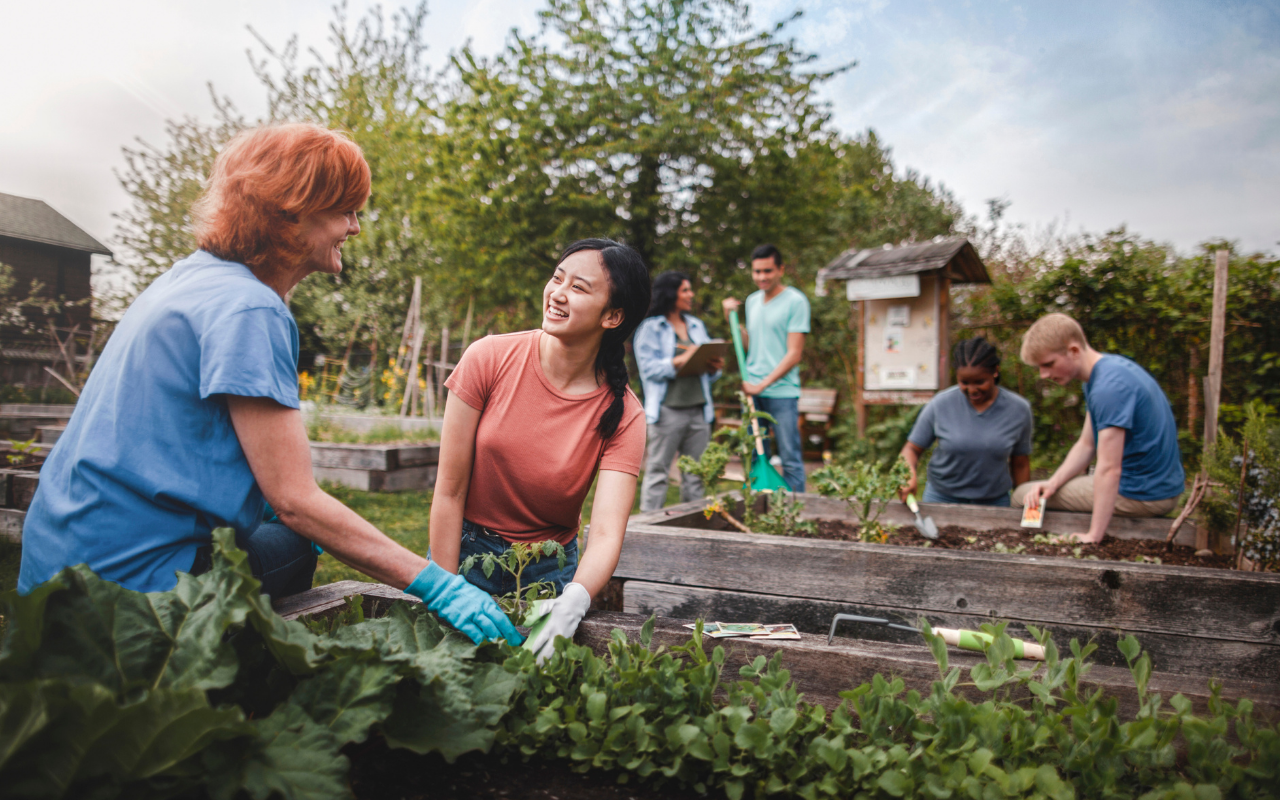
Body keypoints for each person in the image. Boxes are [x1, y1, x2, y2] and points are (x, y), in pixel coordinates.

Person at [18, 124, 520, 647]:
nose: (354, 227)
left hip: (57, 567)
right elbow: (295, 500)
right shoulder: (250, 308)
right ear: (292, 210)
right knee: (298, 542)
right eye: (345, 210)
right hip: (130, 590)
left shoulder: (188, 279)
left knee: (274, 534)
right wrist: (439, 586)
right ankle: (220, 679)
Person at [429, 238, 650, 661]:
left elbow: (604, 533)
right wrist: (444, 586)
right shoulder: (488, 358)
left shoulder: (625, 416)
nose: (558, 293)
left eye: (579, 288)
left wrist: (575, 601)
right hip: (463, 552)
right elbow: (449, 490)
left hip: (547, 574)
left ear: (613, 316)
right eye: (557, 278)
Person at [1012, 313, 1186, 543]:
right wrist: (1052, 483)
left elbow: (1109, 469)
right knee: (1040, 490)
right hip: (1157, 487)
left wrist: (1093, 536)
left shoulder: (1108, 388)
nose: (1044, 374)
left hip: (1144, 493)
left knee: (1022, 495)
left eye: (1048, 364)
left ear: (1073, 351)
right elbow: (1087, 444)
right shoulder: (1106, 373)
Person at [899, 338, 1033, 507]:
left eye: (979, 382)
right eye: (964, 382)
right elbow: (911, 449)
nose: (971, 390)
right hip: (942, 498)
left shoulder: (1018, 410)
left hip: (994, 502)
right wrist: (907, 475)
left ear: (995, 372)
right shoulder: (941, 404)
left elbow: (1020, 463)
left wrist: (1025, 505)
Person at [721, 244, 810, 492]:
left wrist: (763, 384)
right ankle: (760, 510)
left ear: (781, 269)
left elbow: (794, 354)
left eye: (768, 271)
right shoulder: (752, 301)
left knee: (790, 457)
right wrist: (732, 320)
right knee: (755, 456)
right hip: (752, 391)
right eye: (757, 271)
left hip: (781, 392)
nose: (762, 277)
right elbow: (751, 345)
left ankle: (795, 514)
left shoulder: (796, 301)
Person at [633, 271, 724, 510]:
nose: (691, 295)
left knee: (696, 475)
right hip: (667, 413)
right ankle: (649, 527)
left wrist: (714, 366)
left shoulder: (696, 325)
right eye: (685, 290)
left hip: (699, 411)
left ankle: (692, 527)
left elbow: (708, 371)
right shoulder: (650, 328)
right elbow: (649, 369)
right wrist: (681, 359)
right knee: (658, 471)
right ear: (671, 293)